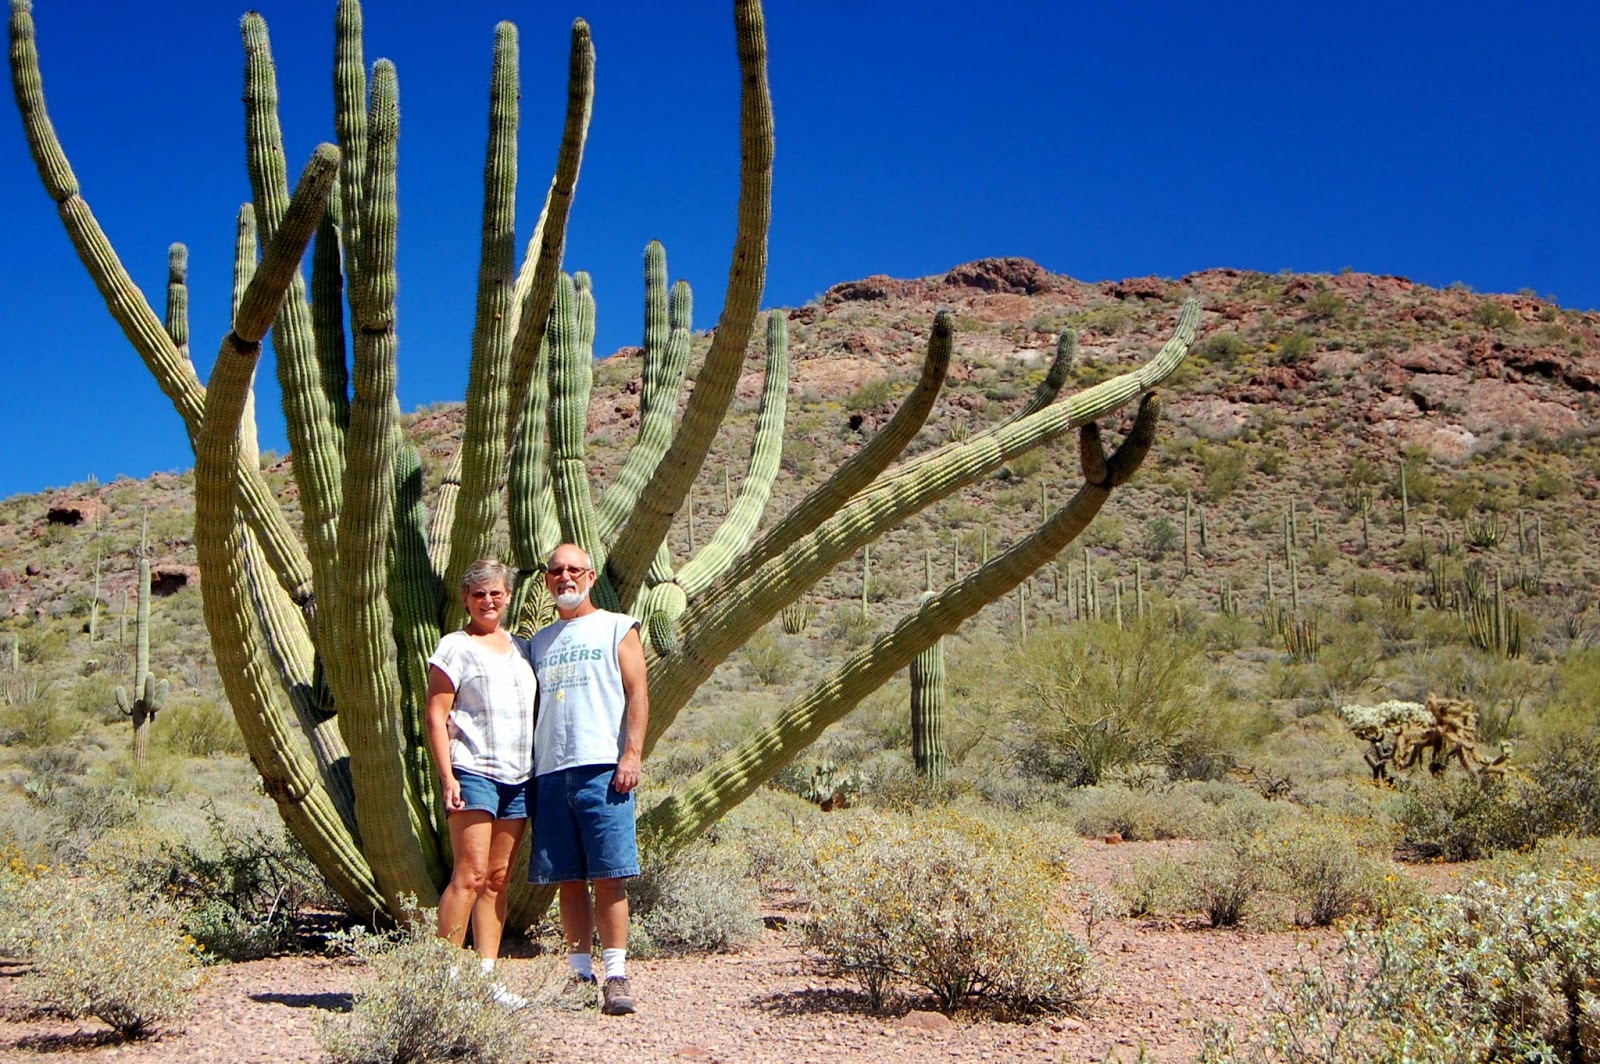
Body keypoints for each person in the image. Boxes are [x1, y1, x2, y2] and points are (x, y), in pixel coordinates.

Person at [526, 543, 648, 1016]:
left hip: (604, 766)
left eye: (573, 569)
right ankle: (579, 974)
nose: (565, 577)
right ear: (547, 581)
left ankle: (616, 975)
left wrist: (632, 754)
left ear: (591, 576)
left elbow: (637, 692)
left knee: (610, 875)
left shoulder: (618, 627)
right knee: (569, 879)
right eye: (556, 571)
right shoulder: (538, 642)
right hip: (552, 771)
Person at [425, 558, 536, 1009]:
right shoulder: (455, 647)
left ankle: (486, 979)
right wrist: (447, 775)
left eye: (495, 593)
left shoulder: (522, 648)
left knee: (496, 879)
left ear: (508, 596)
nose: (488, 601)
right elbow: (436, 713)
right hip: (473, 770)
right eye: (478, 594)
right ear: (466, 600)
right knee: (468, 875)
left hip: (519, 774)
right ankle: (443, 978)